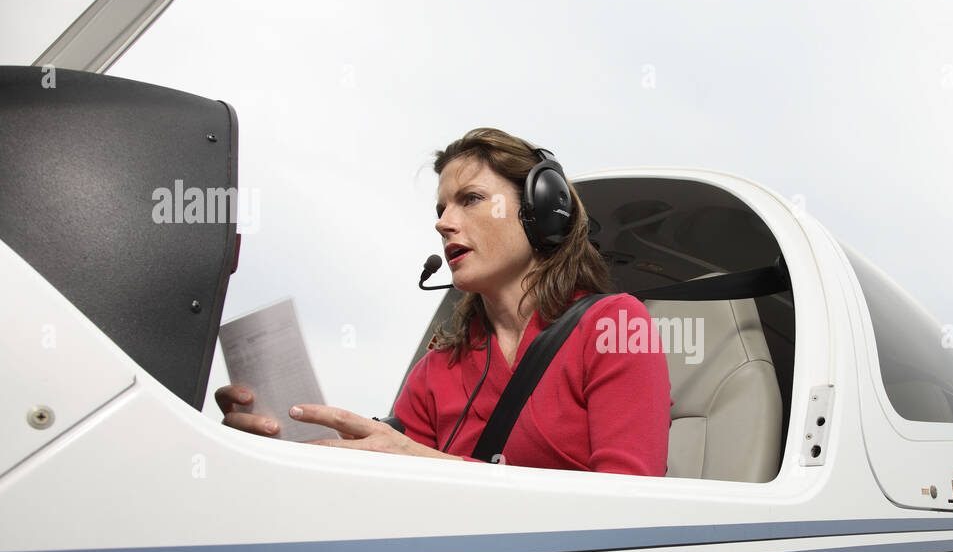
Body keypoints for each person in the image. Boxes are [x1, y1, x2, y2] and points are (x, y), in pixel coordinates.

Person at [216, 127, 672, 476]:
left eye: (470, 200)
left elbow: (628, 508)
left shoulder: (615, 327)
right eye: (440, 209)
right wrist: (270, 447)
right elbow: (389, 491)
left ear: (540, 210)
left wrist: (429, 465)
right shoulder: (438, 370)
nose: (444, 223)